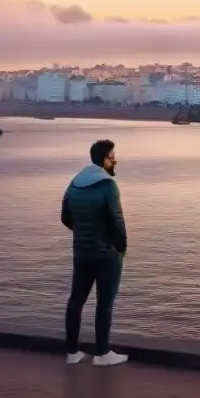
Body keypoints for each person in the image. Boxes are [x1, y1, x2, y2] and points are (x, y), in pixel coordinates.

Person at [61, 139, 128, 366]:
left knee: (76, 301)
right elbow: (117, 221)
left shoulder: (74, 184)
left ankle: (72, 352)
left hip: (81, 252)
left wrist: (82, 232)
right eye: (112, 157)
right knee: (104, 303)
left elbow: (66, 217)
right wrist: (121, 247)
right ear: (104, 159)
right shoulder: (108, 185)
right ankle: (102, 353)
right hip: (106, 255)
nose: (115, 160)